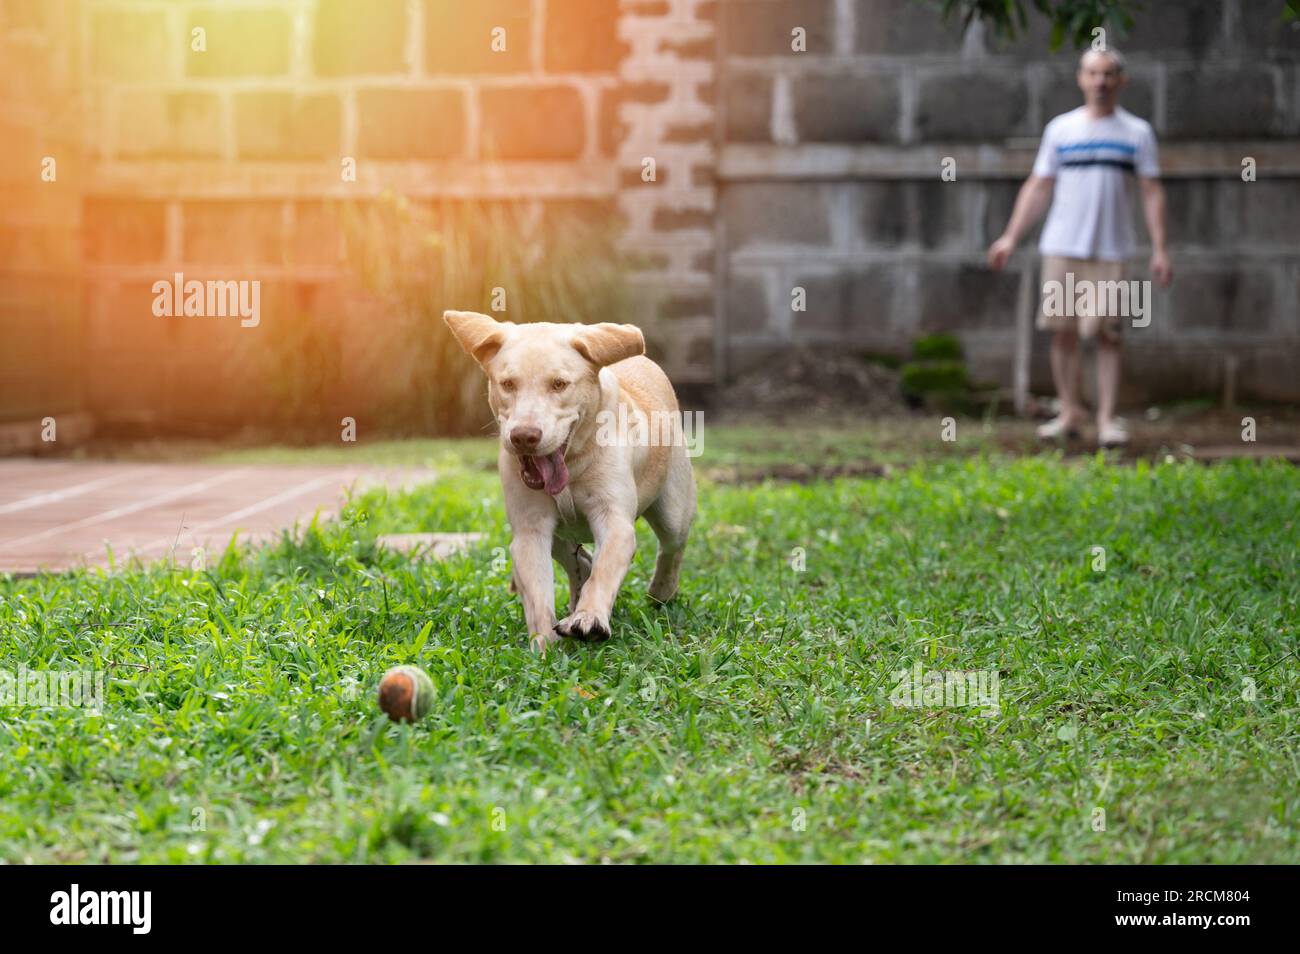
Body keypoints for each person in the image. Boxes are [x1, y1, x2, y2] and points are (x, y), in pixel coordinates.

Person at [988, 47, 1172, 447]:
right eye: (1092, 73)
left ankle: (1107, 419)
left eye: (1108, 74)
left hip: (1113, 249)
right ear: (1081, 78)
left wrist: (1160, 248)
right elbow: (1039, 186)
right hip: (1062, 247)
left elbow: (1151, 190)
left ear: (1121, 80)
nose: (1100, 82)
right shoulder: (1061, 129)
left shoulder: (1137, 133)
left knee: (1109, 335)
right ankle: (1070, 412)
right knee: (1063, 333)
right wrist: (1011, 236)